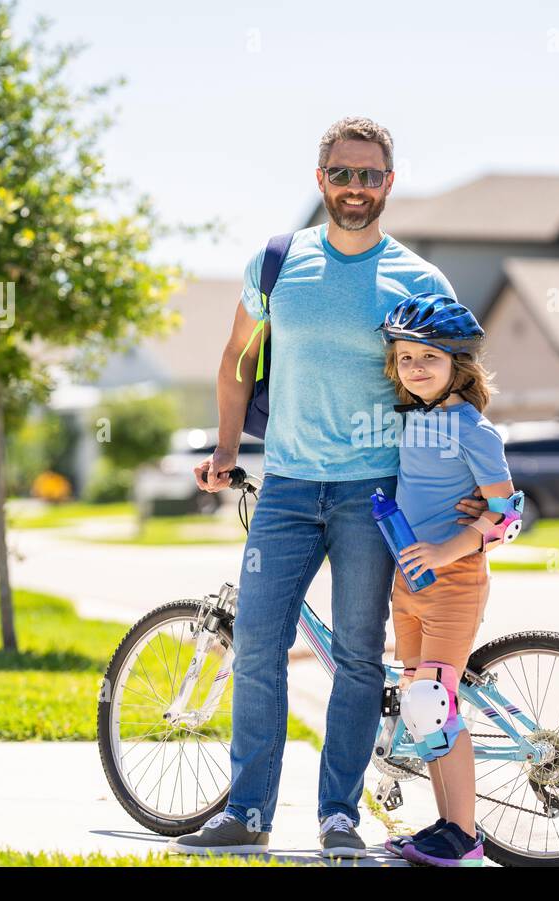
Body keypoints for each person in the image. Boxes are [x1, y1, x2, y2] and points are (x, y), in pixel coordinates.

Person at [175, 117, 490, 859]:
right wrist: (226, 449)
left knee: (356, 657)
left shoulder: (417, 278)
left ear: (389, 181)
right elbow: (234, 363)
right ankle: (247, 812)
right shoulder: (278, 264)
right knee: (256, 646)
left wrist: (479, 482)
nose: (356, 188)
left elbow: (460, 382)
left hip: (374, 495)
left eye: (370, 175)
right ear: (321, 180)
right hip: (286, 484)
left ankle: (338, 818)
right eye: (343, 175)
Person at [375, 292, 523, 867]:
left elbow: (507, 514)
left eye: (429, 358)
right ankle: (443, 825)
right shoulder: (416, 418)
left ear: (458, 364)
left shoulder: (472, 428)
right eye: (406, 358)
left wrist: (447, 550)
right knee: (421, 709)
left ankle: (464, 835)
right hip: (409, 585)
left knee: (435, 705)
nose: (415, 368)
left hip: (453, 582)